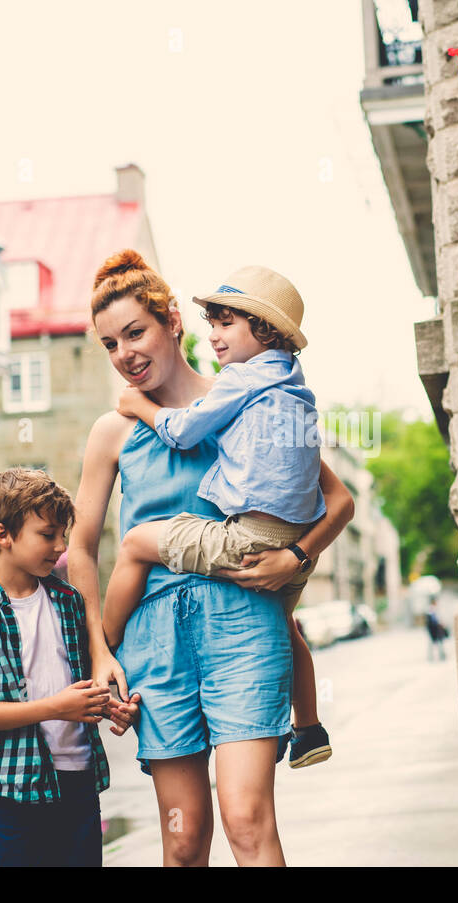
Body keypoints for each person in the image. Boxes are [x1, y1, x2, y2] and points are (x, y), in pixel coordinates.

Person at [66, 250, 354, 866]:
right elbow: (82, 549)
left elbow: (336, 499)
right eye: (109, 344)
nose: (125, 355)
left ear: (173, 322)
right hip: (156, 644)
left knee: (248, 822)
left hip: (243, 628)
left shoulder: (242, 397)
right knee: (184, 836)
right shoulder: (110, 432)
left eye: (135, 333)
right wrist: (99, 650)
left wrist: (297, 557)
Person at [101, 263, 332, 769]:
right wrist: (297, 555)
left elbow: (183, 433)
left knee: (137, 542)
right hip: (286, 544)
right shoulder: (290, 386)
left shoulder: (235, 390)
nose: (216, 336)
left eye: (226, 324)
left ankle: (107, 639)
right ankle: (310, 726)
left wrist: (139, 407)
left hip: (251, 551)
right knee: (287, 629)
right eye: (110, 344)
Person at [0, 467, 138, 867]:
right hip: (12, 792)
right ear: (3, 535)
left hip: (78, 782)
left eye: (63, 536)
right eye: (48, 535)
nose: (60, 547)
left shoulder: (69, 601)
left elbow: (79, 688)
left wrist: (109, 706)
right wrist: (57, 707)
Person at [425, 597, 448, 662]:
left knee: (434, 643)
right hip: (435, 629)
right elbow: (434, 621)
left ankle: (437, 656)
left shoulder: (431, 610)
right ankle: (440, 655)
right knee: (437, 642)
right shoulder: (432, 610)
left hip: (434, 629)